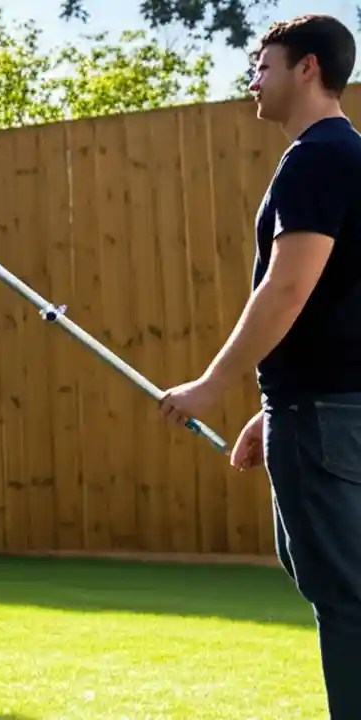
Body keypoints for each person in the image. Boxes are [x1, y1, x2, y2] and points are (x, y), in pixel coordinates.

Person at [158, 13, 361, 718]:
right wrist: (267, 405)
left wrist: (214, 384)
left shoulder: (316, 157)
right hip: (323, 408)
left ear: (308, 68)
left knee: (346, 601)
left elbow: (288, 287)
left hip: (323, 418)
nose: (253, 78)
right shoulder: (349, 157)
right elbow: (338, 306)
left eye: (263, 64)